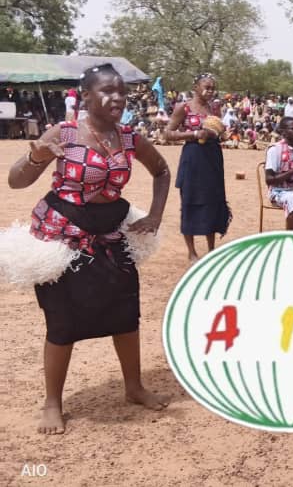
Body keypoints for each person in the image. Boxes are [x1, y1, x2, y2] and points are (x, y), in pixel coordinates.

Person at [7, 64, 171, 434]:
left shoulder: (129, 138)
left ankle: (134, 387)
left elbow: (161, 171)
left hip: (112, 234)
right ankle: (53, 403)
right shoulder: (63, 133)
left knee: (125, 314)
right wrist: (37, 157)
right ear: (86, 97)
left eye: (122, 92)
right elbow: (16, 181)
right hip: (64, 236)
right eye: (107, 91)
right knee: (62, 322)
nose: (117, 97)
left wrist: (156, 215)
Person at [165, 73, 232, 262]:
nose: (210, 91)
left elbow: (217, 131)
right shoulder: (183, 107)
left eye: (212, 88)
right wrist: (194, 133)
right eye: (206, 87)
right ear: (196, 86)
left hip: (212, 158)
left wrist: (220, 133)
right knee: (191, 200)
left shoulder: (214, 108)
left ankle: (212, 249)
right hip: (193, 158)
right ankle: (192, 251)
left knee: (213, 200)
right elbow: (167, 133)